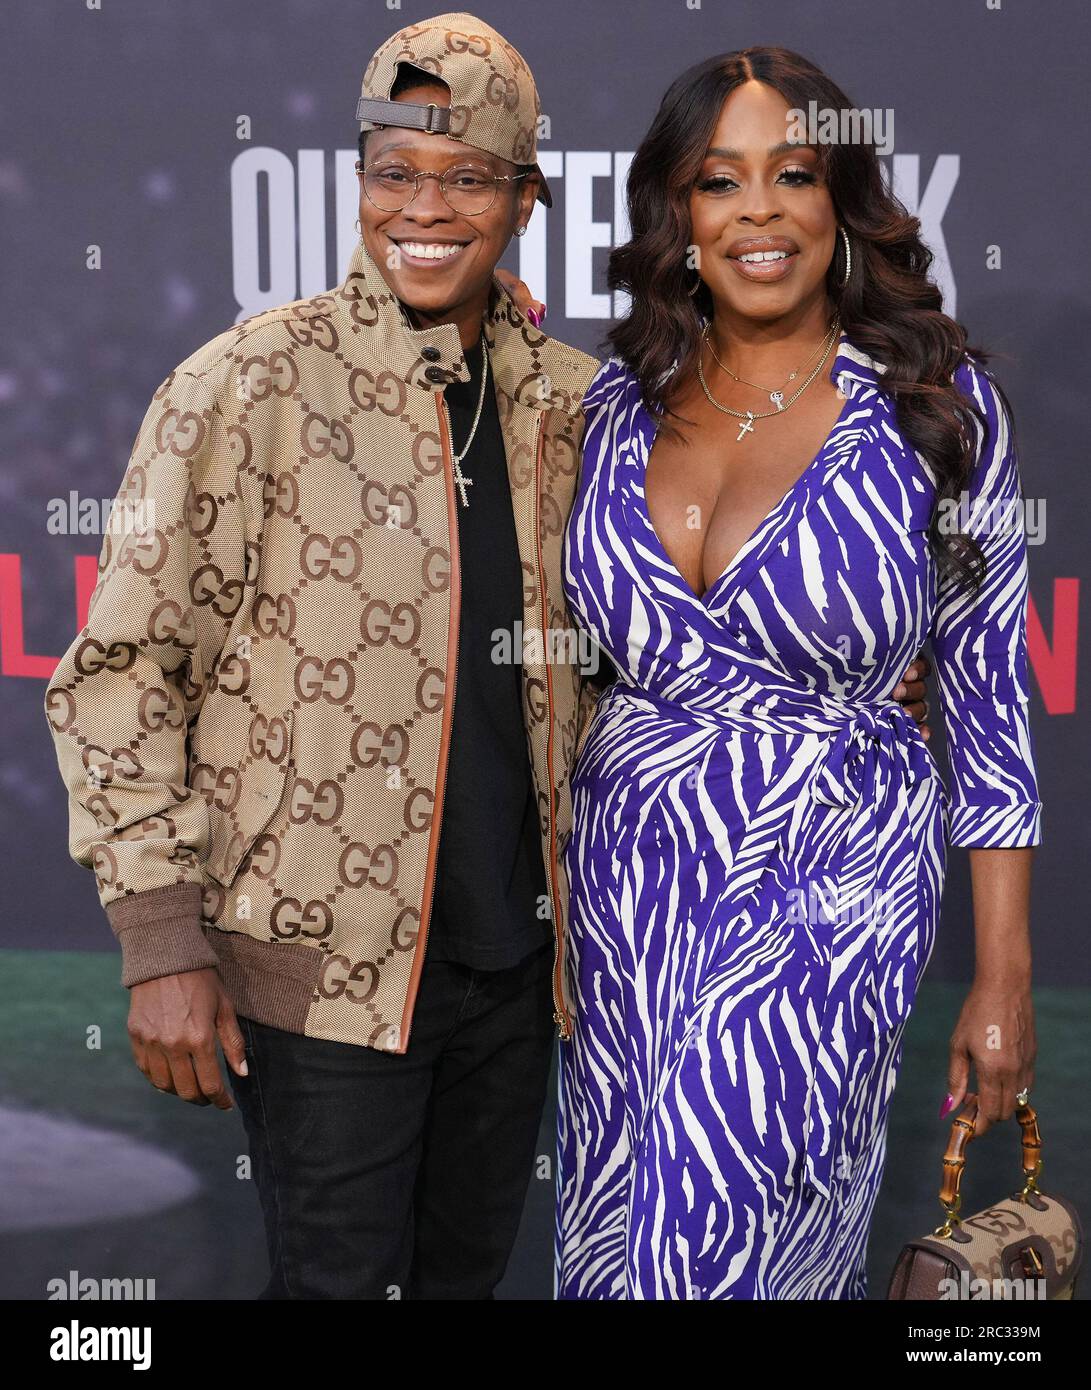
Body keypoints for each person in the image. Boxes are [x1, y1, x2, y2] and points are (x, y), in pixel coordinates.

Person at [42, 15, 930, 1300]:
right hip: (322, 973)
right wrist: (162, 940)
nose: (424, 206)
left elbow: (642, 635)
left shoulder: (581, 400)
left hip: (524, 976)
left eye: (465, 178)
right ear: (357, 183)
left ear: (524, 200)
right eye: (395, 171)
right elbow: (119, 670)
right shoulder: (245, 385)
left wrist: (832, 673)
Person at [555, 47, 1041, 1300]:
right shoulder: (615, 401)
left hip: (830, 872)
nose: (758, 211)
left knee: (711, 1219)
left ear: (844, 199)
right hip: (628, 883)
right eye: (719, 181)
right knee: (618, 1226)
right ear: (677, 213)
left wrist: (1000, 979)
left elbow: (987, 701)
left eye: (794, 175)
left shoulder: (935, 406)